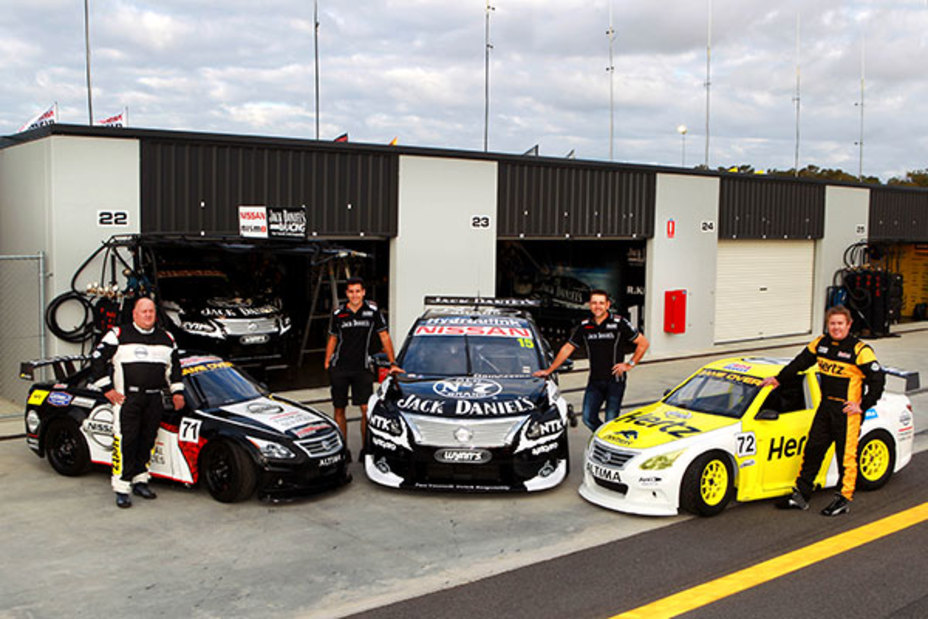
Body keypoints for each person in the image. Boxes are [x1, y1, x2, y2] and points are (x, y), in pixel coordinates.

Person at [761, 305, 885, 517]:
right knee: (813, 449)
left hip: (848, 412)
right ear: (827, 325)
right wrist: (778, 379)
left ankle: (843, 498)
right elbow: (800, 363)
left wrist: (862, 405)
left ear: (849, 325)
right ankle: (801, 495)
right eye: (832, 324)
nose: (836, 328)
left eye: (840, 324)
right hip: (825, 406)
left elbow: (878, 380)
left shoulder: (860, 350)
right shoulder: (820, 343)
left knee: (846, 457)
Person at [91, 297, 185, 508]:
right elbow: (96, 360)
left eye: (151, 311)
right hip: (128, 399)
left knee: (147, 440)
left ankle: (140, 480)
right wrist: (107, 389)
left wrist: (177, 392)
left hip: (154, 398)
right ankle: (122, 487)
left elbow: (175, 369)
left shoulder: (167, 338)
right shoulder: (118, 335)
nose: (148, 315)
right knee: (126, 441)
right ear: (134, 314)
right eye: (143, 311)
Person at [534, 289, 649, 432]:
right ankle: (609, 438)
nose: (597, 306)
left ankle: (609, 443)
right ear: (589, 305)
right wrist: (549, 370)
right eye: (594, 303)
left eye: (601, 303)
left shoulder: (619, 323)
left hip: (615, 381)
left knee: (610, 421)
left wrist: (630, 364)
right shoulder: (585, 326)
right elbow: (567, 348)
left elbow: (643, 343)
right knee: (588, 418)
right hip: (594, 381)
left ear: (607, 305)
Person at [324, 277, 401, 448]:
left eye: (358, 291)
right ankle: (343, 450)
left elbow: (384, 337)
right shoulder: (339, 313)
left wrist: (392, 362)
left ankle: (366, 449)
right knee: (339, 409)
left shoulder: (373, 311)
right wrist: (327, 360)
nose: (354, 295)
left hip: (363, 368)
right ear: (347, 293)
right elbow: (333, 338)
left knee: (366, 410)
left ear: (363, 292)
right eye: (351, 291)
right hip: (340, 368)